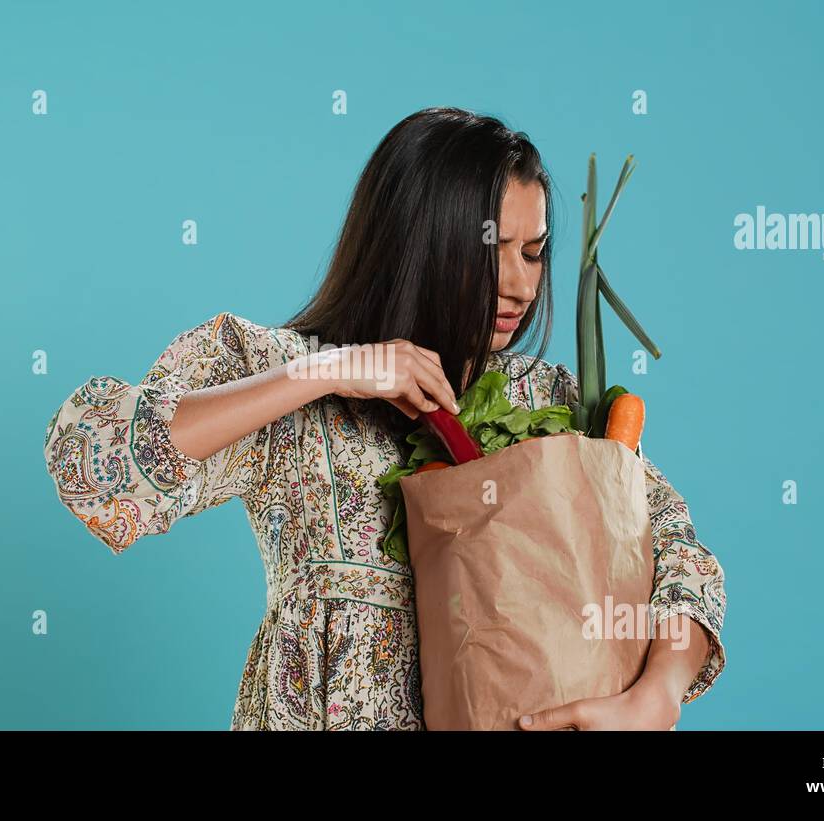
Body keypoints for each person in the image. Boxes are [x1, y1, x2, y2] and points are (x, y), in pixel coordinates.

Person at [43, 107, 727, 730]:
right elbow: (98, 466)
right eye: (493, 250)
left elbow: (678, 555)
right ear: (418, 241)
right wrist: (331, 371)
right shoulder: (293, 384)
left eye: (534, 251)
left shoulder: (550, 405)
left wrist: (657, 692)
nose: (521, 284)